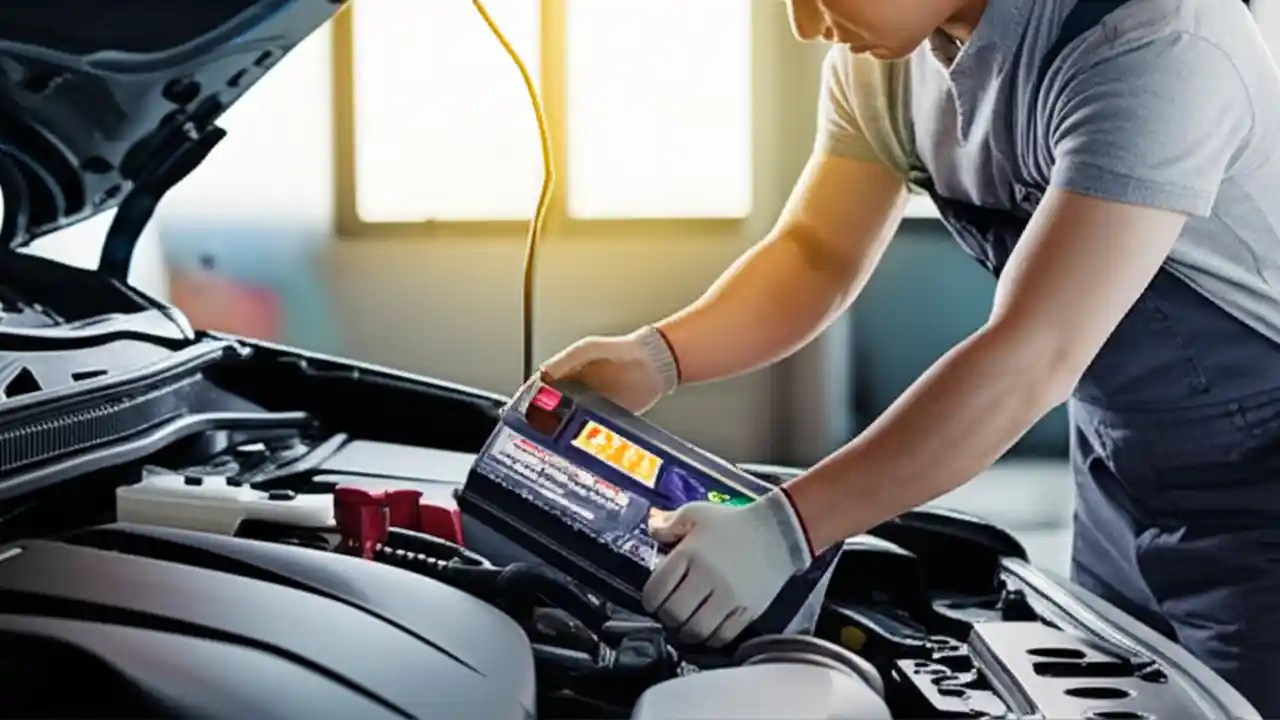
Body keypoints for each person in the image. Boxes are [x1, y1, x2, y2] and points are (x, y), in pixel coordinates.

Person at [541, 0, 1280, 711]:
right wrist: (656, 358)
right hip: (1121, 459)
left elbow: (1032, 353)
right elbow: (816, 254)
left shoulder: (1160, 39)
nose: (804, 24)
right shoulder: (891, 60)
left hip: (1261, 477)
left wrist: (784, 529)